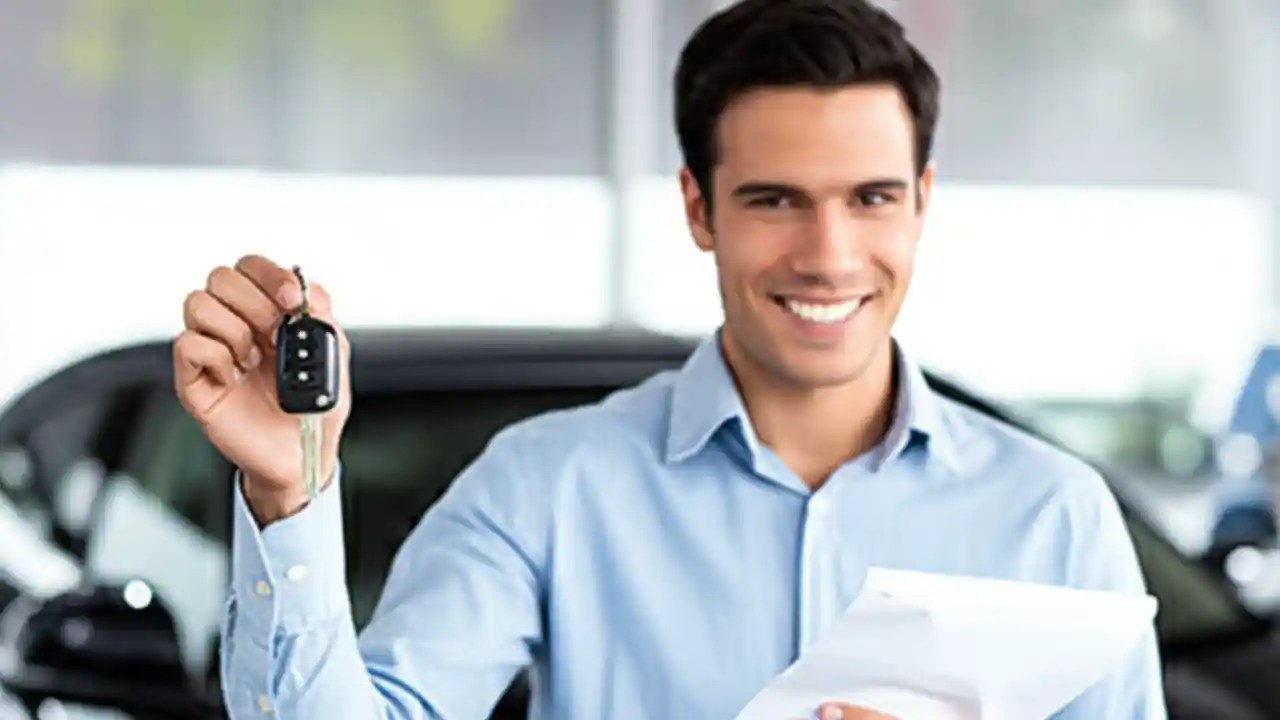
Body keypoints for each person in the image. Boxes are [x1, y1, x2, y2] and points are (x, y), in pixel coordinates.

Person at [174, 1, 1166, 718]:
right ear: (698, 207)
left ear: (921, 202)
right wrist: (289, 492)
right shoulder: (548, 487)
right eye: (775, 200)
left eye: (870, 198)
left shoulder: (1056, 518)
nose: (828, 255)